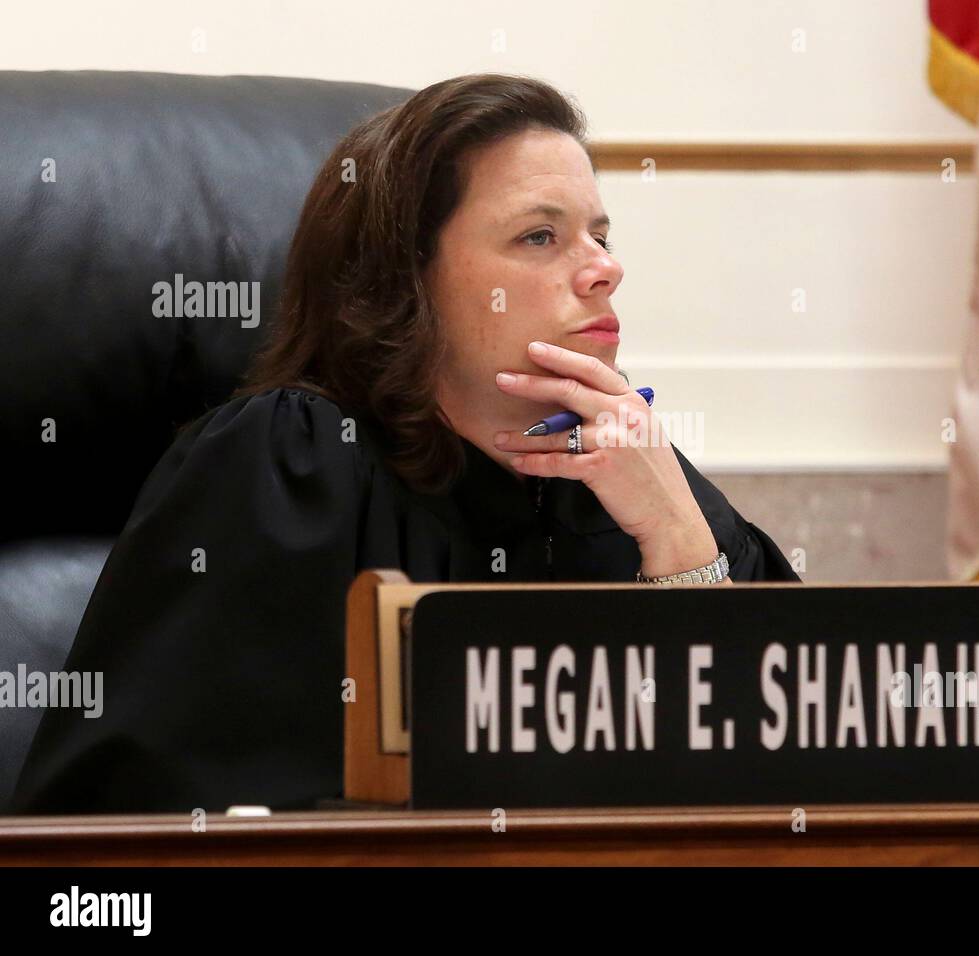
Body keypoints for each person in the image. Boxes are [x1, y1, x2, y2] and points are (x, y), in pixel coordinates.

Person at [13, 73, 801, 814]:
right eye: (539, 237)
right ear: (406, 280)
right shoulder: (292, 462)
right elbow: (163, 810)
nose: (605, 270)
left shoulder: (636, 469)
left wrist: (675, 539)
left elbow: (799, 782)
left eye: (599, 234)